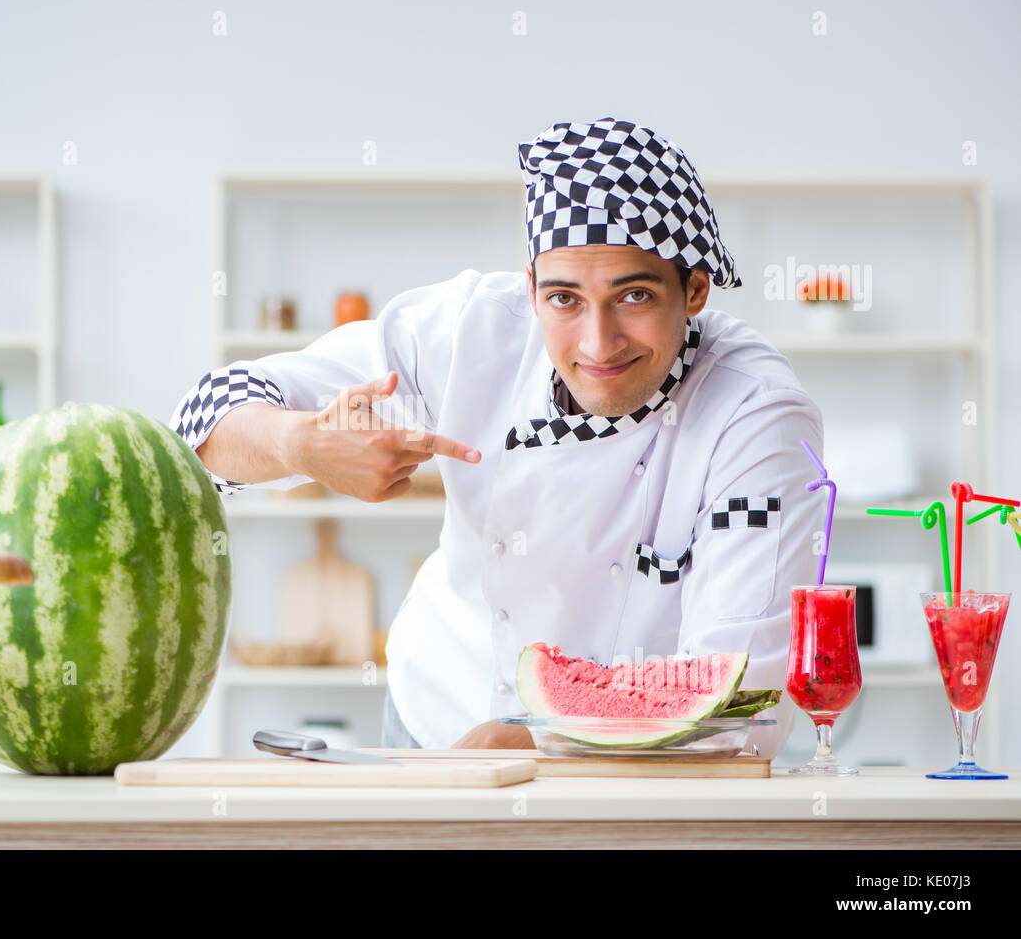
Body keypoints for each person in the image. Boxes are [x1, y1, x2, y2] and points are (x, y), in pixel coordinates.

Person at [170, 117, 824, 758]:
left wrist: (542, 734)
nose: (598, 342)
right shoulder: (468, 331)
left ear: (697, 288)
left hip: (640, 762)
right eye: (565, 299)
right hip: (433, 724)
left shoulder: (756, 414)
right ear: (532, 287)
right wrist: (300, 446)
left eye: (634, 296)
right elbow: (198, 424)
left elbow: (745, 705)